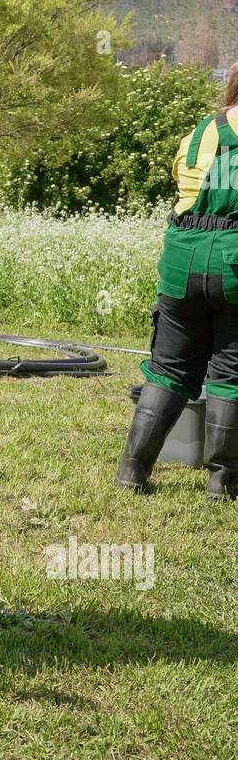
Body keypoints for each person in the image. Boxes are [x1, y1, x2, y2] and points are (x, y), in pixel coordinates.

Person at [118, 62, 238, 496]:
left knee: (169, 368)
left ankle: (133, 470)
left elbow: (184, 183)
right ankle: (223, 482)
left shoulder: (199, 132)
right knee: (231, 373)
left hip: (182, 259)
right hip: (233, 266)